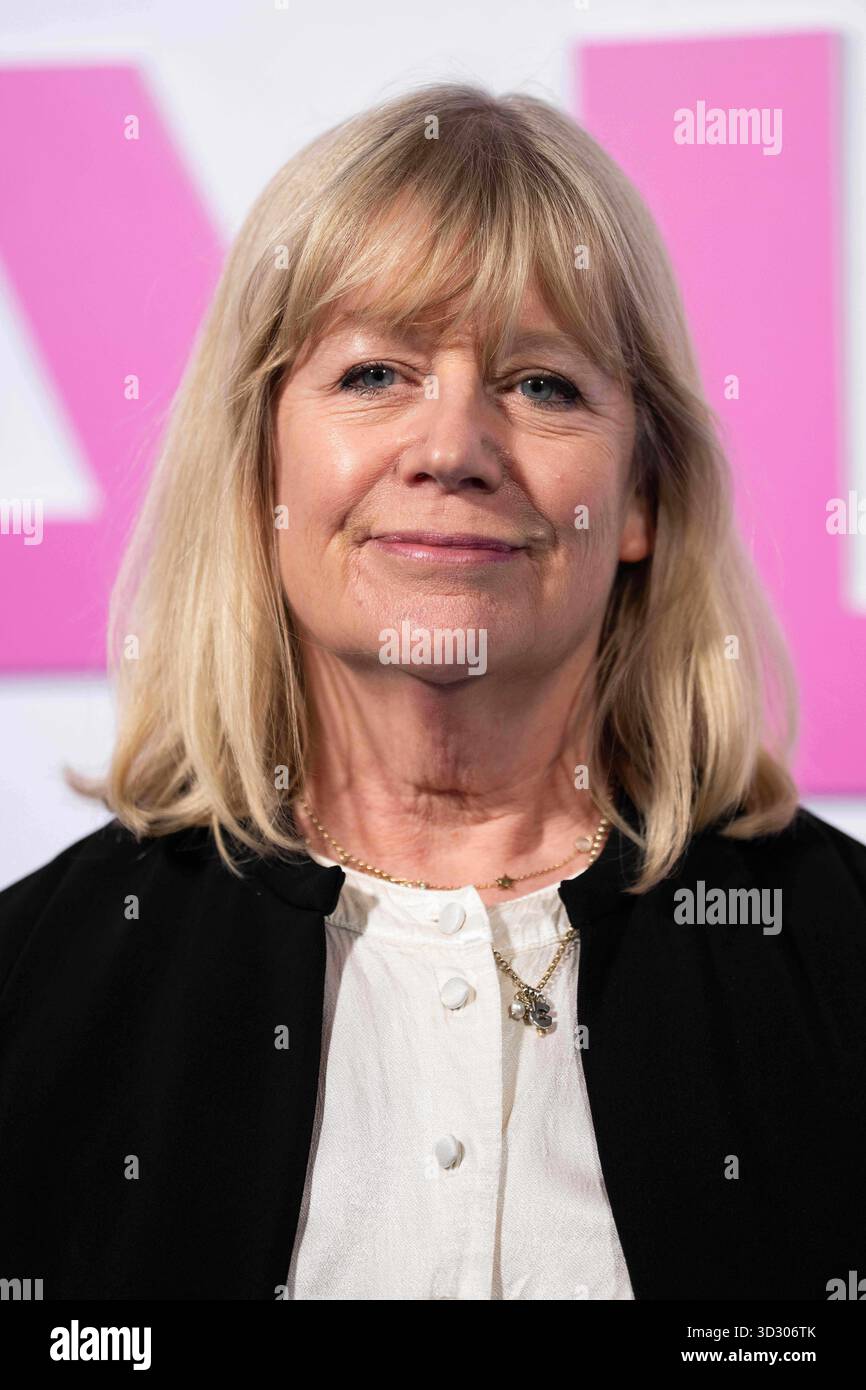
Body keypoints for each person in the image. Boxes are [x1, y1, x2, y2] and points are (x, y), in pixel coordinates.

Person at [1, 81, 864, 1302]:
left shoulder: (837, 962)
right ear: (259, 470)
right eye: (372, 375)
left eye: (542, 384)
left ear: (641, 500)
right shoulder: (32, 987)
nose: (452, 446)